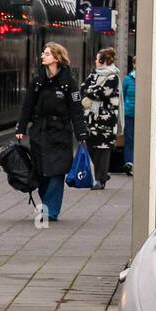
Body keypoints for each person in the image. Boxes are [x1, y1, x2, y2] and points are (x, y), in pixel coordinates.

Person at [16, 42, 87, 221]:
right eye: (43, 53)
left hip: (60, 133)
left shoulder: (68, 83)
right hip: (39, 132)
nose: (42, 56)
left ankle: (50, 211)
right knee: (41, 172)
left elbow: (76, 110)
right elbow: (27, 105)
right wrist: (21, 127)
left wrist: (82, 135)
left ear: (57, 58)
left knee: (56, 171)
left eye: (46, 54)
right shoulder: (38, 81)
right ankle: (47, 204)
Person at [81, 48, 122, 189]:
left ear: (103, 61)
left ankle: (100, 179)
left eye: (97, 59)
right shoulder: (94, 75)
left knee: (103, 149)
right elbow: (83, 88)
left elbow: (103, 93)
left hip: (106, 121)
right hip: (91, 119)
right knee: (91, 146)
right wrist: (91, 91)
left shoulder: (113, 77)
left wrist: (91, 91)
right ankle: (103, 174)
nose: (95, 61)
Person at [122, 57, 137, 174]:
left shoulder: (147, 78)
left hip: (142, 116)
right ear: (134, 64)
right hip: (129, 114)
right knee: (129, 138)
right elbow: (123, 96)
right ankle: (129, 163)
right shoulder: (127, 79)